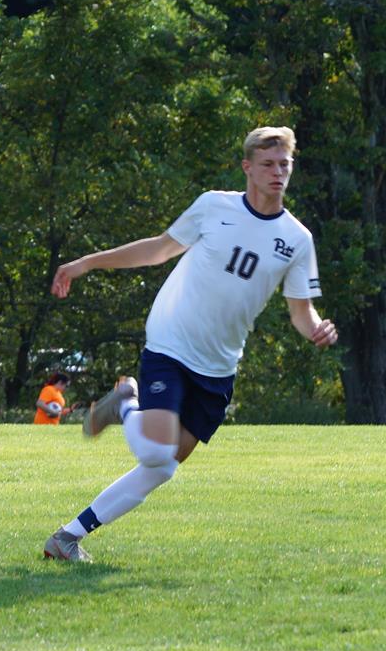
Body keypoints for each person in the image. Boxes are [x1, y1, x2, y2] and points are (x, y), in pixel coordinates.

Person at [43, 126, 336, 562]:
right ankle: (126, 403)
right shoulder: (213, 206)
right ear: (248, 168)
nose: (278, 173)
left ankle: (67, 537)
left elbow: (300, 311)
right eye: (268, 164)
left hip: (219, 365)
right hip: (172, 339)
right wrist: (87, 263)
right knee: (157, 449)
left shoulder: (297, 239)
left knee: (161, 467)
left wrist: (316, 328)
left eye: (285, 165)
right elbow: (157, 250)